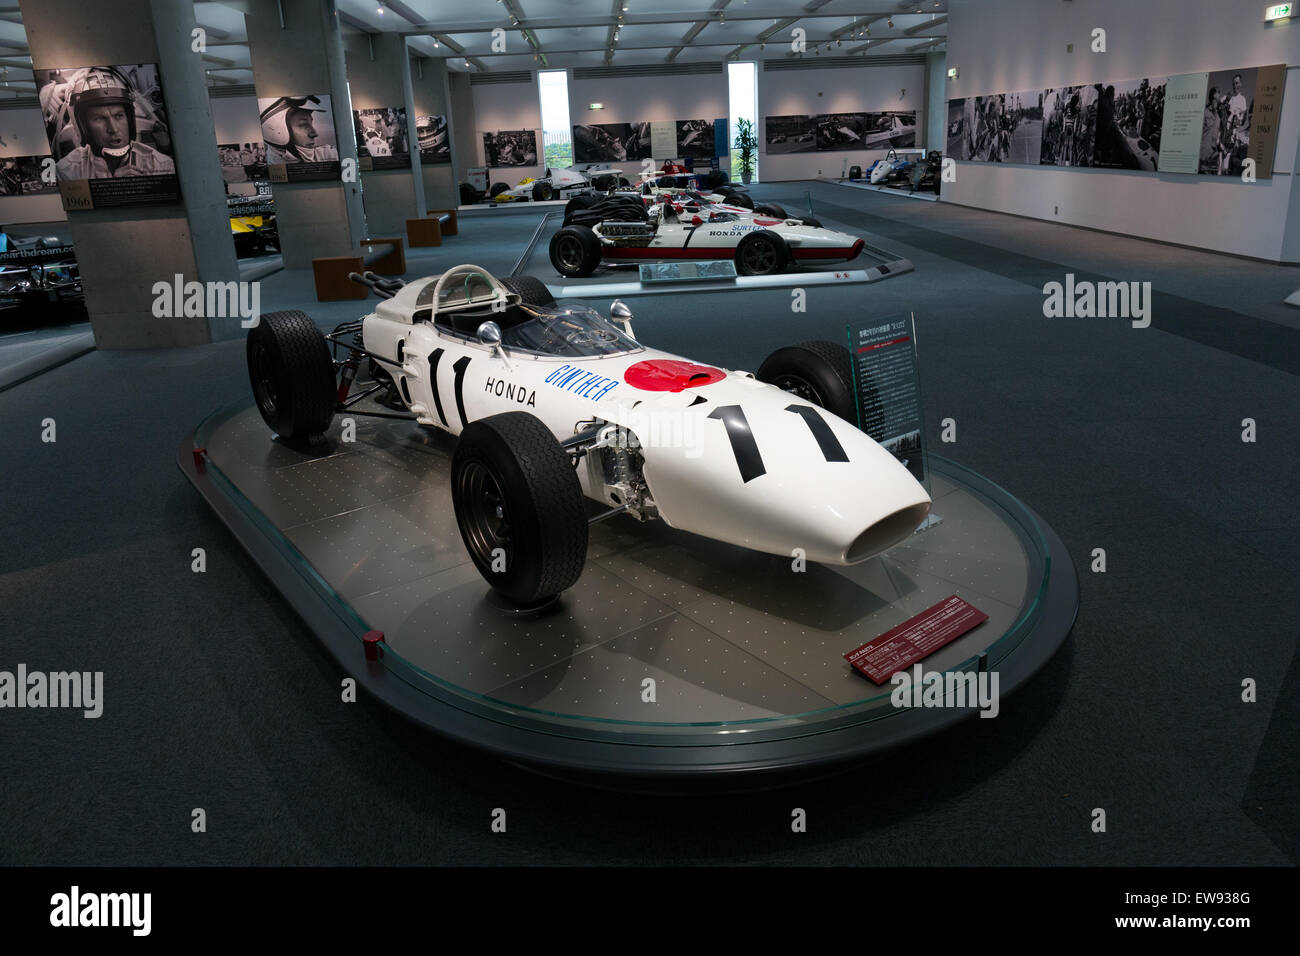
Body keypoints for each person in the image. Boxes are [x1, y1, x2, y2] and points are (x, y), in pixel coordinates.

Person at [54, 67, 175, 179]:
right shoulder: (65, 172)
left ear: (129, 119)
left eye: (118, 116)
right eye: (98, 119)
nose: (113, 129)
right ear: (82, 127)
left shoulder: (161, 166)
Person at [260, 96, 338, 164]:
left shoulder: (326, 155)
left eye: (311, 122)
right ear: (277, 130)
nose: (314, 133)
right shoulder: (271, 163)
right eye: (303, 124)